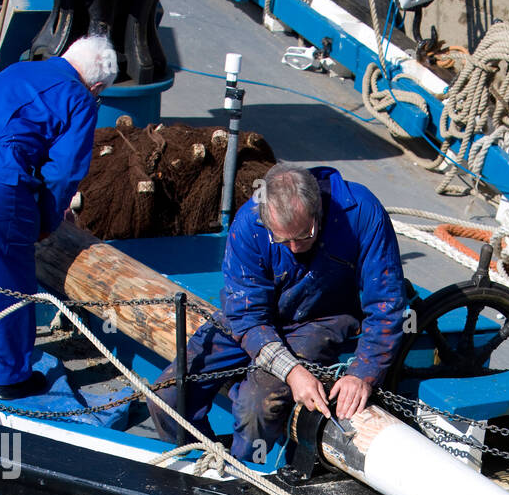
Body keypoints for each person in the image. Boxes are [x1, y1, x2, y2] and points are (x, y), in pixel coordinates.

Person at [148, 164, 407, 461]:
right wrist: (293, 372)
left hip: (323, 318)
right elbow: (247, 317)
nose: (295, 248)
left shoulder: (361, 211)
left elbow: (387, 303)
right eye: (284, 240)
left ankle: (241, 478)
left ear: (318, 210)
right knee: (166, 397)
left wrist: (363, 373)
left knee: (256, 408)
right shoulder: (248, 225)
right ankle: (202, 463)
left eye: (305, 235)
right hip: (253, 316)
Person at [0, 34, 118, 397]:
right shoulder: (80, 99)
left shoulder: (18, 69)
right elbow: (64, 173)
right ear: (97, 85)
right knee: (9, 279)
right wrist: (45, 222)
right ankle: (10, 378)